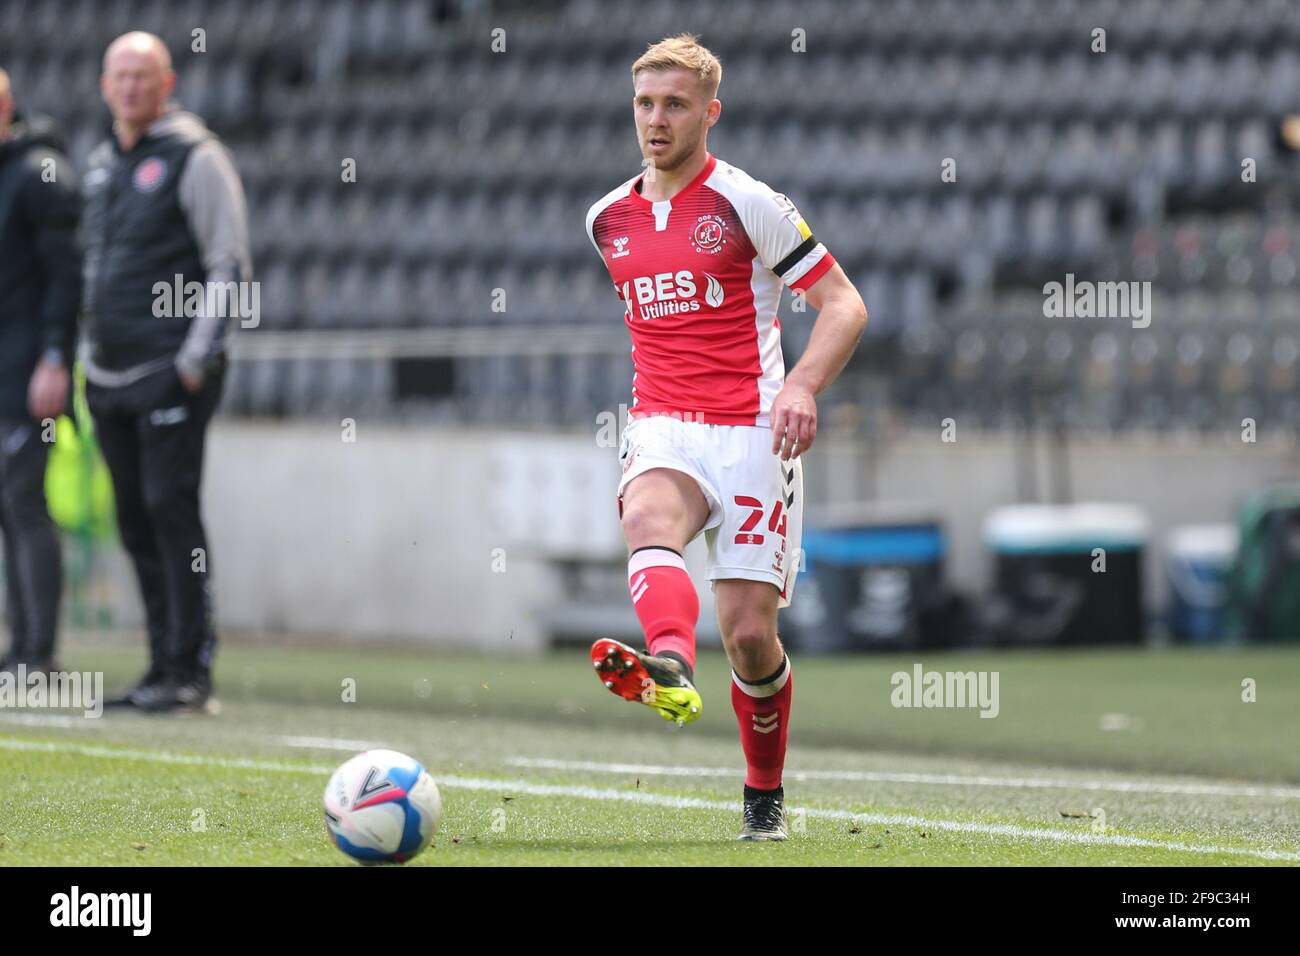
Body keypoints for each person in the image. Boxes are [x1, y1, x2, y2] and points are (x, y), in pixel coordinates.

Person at [584, 35, 867, 840]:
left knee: (749, 635)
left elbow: (844, 304)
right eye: (645, 102)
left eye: (675, 104)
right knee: (647, 519)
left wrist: (803, 385)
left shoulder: (750, 204)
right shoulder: (608, 219)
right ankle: (670, 660)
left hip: (750, 431)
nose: (657, 119)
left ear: (712, 112)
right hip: (664, 423)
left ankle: (763, 800)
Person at [84, 33, 251, 712]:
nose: (129, 87)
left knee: (169, 511)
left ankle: (191, 671)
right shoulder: (101, 165)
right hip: (108, 374)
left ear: (167, 82)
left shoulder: (197, 156)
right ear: (103, 85)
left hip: (168, 372)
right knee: (133, 520)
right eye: (118, 74)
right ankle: (159, 668)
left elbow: (229, 263)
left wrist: (192, 361)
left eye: (141, 75)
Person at [0, 67, 82, 676]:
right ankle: (19, 648)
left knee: (24, 500)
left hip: (27, 369)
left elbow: (66, 276)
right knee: (9, 505)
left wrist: (55, 358)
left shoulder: (39, 175)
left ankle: (39, 654)